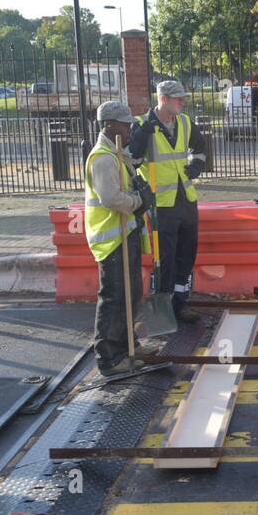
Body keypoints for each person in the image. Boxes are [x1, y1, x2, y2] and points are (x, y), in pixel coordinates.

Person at [128, 79, 207, 325]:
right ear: (162, 99)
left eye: (182, 97)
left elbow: (200, 147)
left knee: (186, 254)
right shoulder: (141, 125)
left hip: (186, 200)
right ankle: (163, 309)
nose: (182, 101)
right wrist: (142, 135)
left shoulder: (184, 122)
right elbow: (133, 161)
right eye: (177, 98)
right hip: (161, 204)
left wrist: (197, 165)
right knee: (165, 259)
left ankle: (180, 304)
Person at [85, 101, 154, 375]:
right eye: (126, 125)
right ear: (110, 125)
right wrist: (139, 201)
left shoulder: (117, 153)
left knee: (131, 293)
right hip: (111, 239)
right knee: (114, 296)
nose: (129, 130)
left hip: (127, 233)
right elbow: (111, 198)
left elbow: (129, 176)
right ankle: (109, 358)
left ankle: (128, 347)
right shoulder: (102, 157)